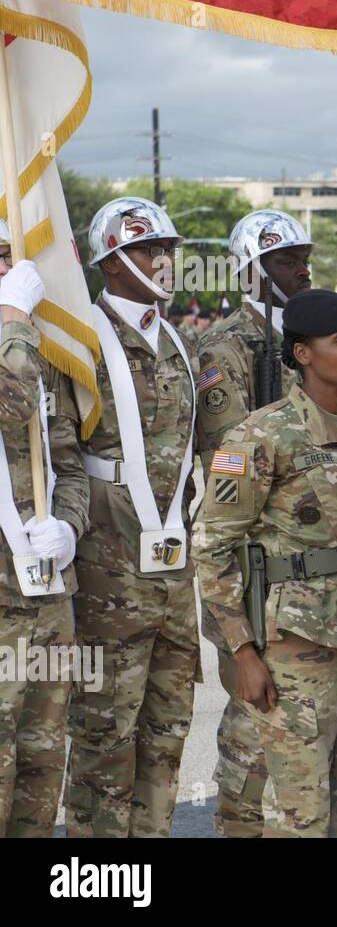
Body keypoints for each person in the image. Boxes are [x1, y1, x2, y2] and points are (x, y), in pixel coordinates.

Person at [194, 289, 337, 837]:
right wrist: (242, 649)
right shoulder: (260, 435)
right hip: (294, 647)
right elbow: (211, 545)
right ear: (302, 354)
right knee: (298, 811)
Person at [65, 197, 200, 838]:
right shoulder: (79, 340)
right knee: (103, 737)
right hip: (107, 570)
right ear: (112, 264)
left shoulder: (175, 338)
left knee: (167, 731)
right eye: (150, 251)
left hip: (173, 570)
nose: (165, 262)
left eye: (168, 251)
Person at [192, 209, 312, 838]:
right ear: (253, 271)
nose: (303, 268)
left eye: (303, 256)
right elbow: (230, 458)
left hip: (309, 566)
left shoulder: (311, 338)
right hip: (246, 565)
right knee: (254, 729)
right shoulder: (224, 347)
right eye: (288, 260)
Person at [0, 229, 89, 837]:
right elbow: (10, 404)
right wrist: (11, 320)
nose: (9, 268)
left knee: (40, 765)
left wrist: (70, 527)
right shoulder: (17, 345)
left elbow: (72, 464)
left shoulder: (37, 357)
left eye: (10, 257)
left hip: (44, 594)